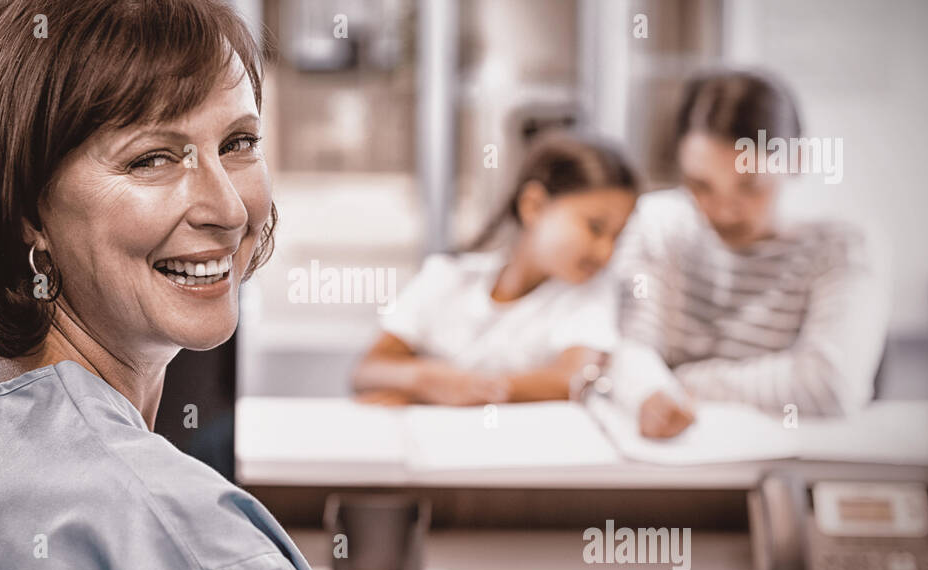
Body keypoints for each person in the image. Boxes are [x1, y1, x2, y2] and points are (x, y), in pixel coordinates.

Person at [0, 0, 312, 570]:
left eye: (238, 144)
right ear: (27, 210)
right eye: (152, 159)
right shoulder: (193, 541)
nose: (229, 211)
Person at [608, 69, 889, 439]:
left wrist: (675, 382)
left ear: (797, 160)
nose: (724, 212)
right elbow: (628, 349)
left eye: (751, 186)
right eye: (701, 185)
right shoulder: (657, 225)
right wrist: (649, 386)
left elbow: (832, 386)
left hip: (786, 454)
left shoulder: (842, 244)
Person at [351, 132, 640, 406]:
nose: (606, 252)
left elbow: (573, 379)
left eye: (617, 236)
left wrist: (458, 391)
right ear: (533, 206)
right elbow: (368, 371)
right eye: (595, 228)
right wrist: (426, 381)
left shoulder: (589, 293)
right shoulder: (447, 277)